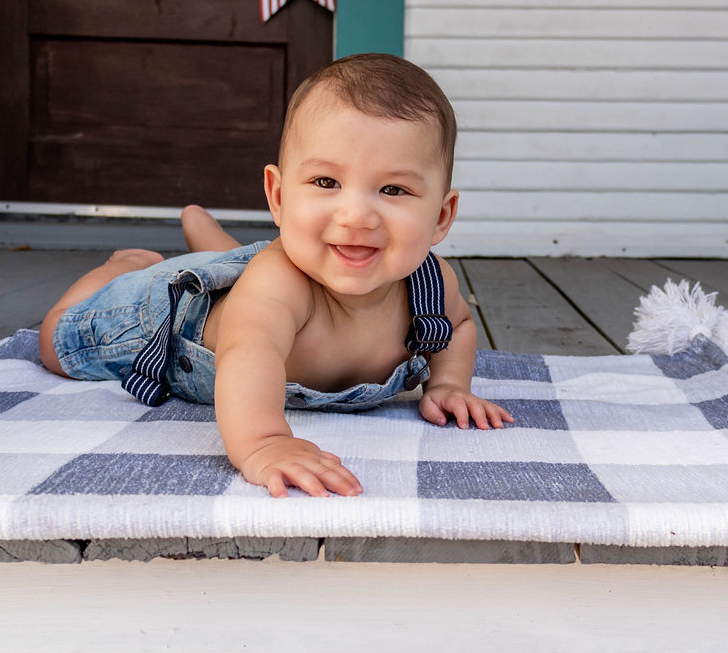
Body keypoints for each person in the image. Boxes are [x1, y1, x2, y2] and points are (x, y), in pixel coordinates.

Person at [39, 52, 512, 498]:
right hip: (165, 314)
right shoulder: (281, 284)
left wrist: (449, 384)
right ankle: (126, 266)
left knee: (254, 263)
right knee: (56, 344)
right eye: (326, 183)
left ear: (441, 216)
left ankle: (217, 245)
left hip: (269, 265)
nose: (356, 216)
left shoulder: (431, 286)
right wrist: (264, 441)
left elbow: (461, 327)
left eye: (393, 189)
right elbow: (250, 351)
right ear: (279, 196)